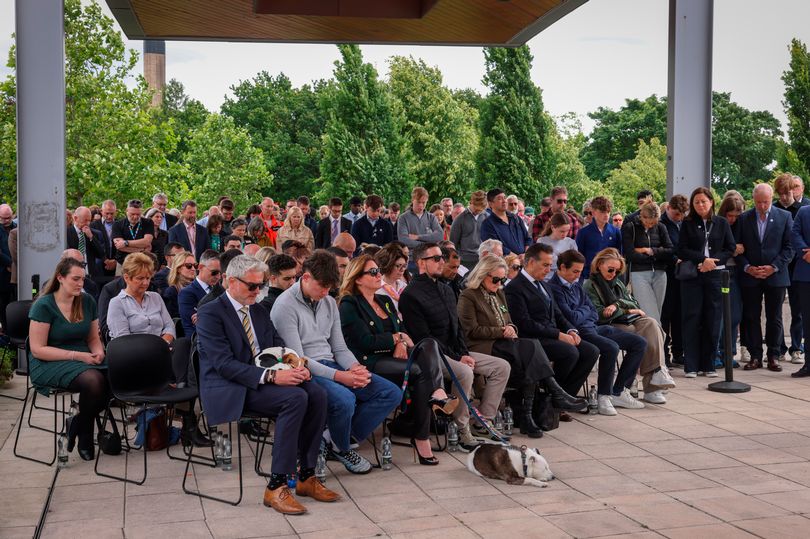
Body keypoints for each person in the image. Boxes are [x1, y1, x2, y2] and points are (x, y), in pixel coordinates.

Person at [195, 254, 337, 514]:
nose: (257, 291)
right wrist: (272, 377)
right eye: (251, 286)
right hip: (229, 387)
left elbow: (278, 346)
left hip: (261, 379)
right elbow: (223, 364)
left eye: (260, 285)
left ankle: (306, 476)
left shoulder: (258, 310)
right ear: (229, 281)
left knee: (316, 393)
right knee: (295, 399)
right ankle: (277, 485)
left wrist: (297, 366)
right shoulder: (210, 313)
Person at [271, 250, 401, 474]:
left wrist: (354, 368)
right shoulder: (284, 306)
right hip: (306, 370)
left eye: (329, 288)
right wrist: (342, 376)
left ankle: (334, 439)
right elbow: (297, 359)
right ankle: (342, 447)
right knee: (345, 399)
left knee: (391, 393)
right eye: (321, 286)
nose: (324, 292)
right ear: (306, 278)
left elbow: (339, 347)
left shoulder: (329, 302)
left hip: (332, 363)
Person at [339, 255, 458, 464]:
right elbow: (365, 341)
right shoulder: (350, 304)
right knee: (418, 372)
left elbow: (402, 330)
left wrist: (401, 343)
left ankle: (434, 397)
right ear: (358, 278)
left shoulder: (384, 301)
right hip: (370, 360)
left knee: (428, 344)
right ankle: (422, 436)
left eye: (378, 271)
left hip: (396, 356)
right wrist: (396, 339)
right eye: (373, 272)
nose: (379, 276)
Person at [458, 255, 586, 437]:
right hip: (482, 345)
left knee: (529, 357)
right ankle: (553, 394)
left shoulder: (498, 293)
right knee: (531, 350)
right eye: (495, 279)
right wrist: (501, 331)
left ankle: (528, 416)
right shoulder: (469, 296)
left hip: (503, 342)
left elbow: (509, 319)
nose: (499, 283)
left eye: (503, 279)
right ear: (482, 274)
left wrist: (510, 328)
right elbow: (471, 330)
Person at [399, 242, 511, 446]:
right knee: (465, 372)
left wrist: (463, 352)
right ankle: (463, 429)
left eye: (442, 257)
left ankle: (484, 420)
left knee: (501, 367)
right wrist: (459, 357)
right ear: (420, 263)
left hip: (455, 352)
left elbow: (457, 328)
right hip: (431, 356)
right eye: (436, 258)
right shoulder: (410, 295)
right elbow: (425, 339)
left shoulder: (446, 289)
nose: (442, 261)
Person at [106, 253, 210, 447]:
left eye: (148, 277)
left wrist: (163, 343)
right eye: (140, 278)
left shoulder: (154, 297)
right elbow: (123, 342)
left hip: (163, 355)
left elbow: (169, 326)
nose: (146, 282)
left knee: (185, 343)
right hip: (134, 361)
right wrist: (157, 347)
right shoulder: (117, 303)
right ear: (127, 277)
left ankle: (184, 409)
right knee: (180, 354)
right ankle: (187, 419)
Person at [505, 243, 599, 417]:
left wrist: (571, 331)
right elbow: (524, 323)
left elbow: (558, 314)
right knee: (569, 352)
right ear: (531, 262)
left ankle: (563, 397)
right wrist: (559, 335)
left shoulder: (544, 285)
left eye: (550, 265)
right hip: (532, 339)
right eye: (546, 265)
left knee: (591, 351)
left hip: (551, 335)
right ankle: (553, 397)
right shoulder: (515, 288)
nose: (549, 269)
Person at [28, 258, 107, 461]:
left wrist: (99, 352)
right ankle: (86, 437)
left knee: (114, 375)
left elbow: (92, 338)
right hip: (48, 361)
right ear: (60, 278)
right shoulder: (44, 305)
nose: (81, 284)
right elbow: (37, 349)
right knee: (94, 380)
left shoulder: (87, 300)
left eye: (83, 279)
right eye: (75, 279)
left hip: (82, 357)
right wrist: (78, 356)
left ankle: (76, 424)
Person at [550, 250, 648, 413]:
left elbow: (594, 312)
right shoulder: (555, 287)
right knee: (610, 347)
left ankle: (619, 390)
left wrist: (584, 312)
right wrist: (585, 312)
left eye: (580, 272)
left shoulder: (575, 284)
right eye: (575, 271)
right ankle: (604, 395)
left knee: (639, 343)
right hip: (579, 331)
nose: (578, 275)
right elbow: (572, 317)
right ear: (562, 268)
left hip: (593, 327)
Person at [583, 247, 676, 399]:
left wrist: (617, 306)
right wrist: (626, 310)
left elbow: (633, 303)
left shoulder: (617, 283)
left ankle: (657, 374)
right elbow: (600, 314)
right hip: (608, 325)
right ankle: (651, 385)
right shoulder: (590, 285)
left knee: (652, 324)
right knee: (647, 336)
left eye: (617, 271)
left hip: (625, 320)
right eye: (610, 270)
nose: (613, 274)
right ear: (599, 265)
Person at [676, 187, 736, 377]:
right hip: (693, 275)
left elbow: (730, 248)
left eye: (704, 201)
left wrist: (713, 262)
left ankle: (708, 365)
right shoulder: (687, 223)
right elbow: (682, 249)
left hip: (715, 276)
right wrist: (702, 260)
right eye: (696, 202)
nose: (700, 205)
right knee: (692, 318)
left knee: (713, 318)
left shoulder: (721, 223)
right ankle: (691, 366)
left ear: (711, 202)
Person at [737, 183, 794, 373]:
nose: (762, 206)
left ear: (772, 199)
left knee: (774, 317)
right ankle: (755, 356)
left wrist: (774, 267)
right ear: (753, 200)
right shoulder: (744, 218)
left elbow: (790, 247)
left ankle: (773, 355)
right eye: (759, 202)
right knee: (751, 316)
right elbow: (737, 247)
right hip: (751, 275)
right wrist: (747, 267)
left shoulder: (784, 217)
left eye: (766, 202)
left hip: (775, 275)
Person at [774, 173, 809, 364]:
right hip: (779, 266)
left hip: (798, 266)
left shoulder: (805, 208)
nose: (787, 195)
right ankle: (779, 348)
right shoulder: (774, 209)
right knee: (776, 311)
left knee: (798, 310)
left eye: (792, 189)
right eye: (782, 193)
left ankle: (797, 347)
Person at [621, 201, 673, 322]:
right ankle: (658, 340)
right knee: (651, 315)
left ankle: (654, 340)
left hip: (660, 273)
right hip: (639, 273)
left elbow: (670, 250)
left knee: (657, 313)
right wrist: (657, 255)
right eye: (649, 223)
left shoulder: (661, 227)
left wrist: (649, 251)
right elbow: (630, 254)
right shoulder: (631, 227)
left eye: (654, 223)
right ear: (642, 216)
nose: (651, 226)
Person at [716, 192, 745, 367]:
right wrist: (734, 248)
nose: (732, 219)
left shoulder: (742, 225)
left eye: (736, 216)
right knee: (719, 316)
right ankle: (718, 353)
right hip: (721, 272)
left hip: (737, 272)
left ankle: (729, 353)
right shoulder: (717, 224)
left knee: (734, 316)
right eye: (730, 215)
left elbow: (745, 248)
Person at [660, 194, 688, 367]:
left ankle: (679, 351)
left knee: (680, 315)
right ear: (668, 208)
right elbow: (663, 247)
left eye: (681, 215)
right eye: (676, 214)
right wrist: (674, 258)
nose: (679, 217)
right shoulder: (661, 223)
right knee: (666, 315)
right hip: (667, 274)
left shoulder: (685, 223)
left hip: (683, 275)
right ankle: (665, 353)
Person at [576, 196, 622, 280]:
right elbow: (579, 256)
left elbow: (619, 255)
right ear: (593, 213)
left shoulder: (615, 232)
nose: (606, 215)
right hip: (589, 276)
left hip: (610, 276)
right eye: (602, 212)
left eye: (608, 212)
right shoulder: (583, 233)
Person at [178, 249, 222, 338]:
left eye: (220, 273)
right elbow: (193, 325)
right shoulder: (187, 293)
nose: (218, 276)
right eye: (214, 272)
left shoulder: (220, 290)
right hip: (199, 339)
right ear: (201, 267)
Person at [397, 187, 444, 267]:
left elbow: (439, 235)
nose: (421, 205)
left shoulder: (431, 217)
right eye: (418, 202)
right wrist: (427, 244)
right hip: (412, 260)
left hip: (430, 260)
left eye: (424, 202)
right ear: (412, 200)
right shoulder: (403, 218)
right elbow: (404, 240)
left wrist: (418, 237)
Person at [479, 188, 532, 256]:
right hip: (503, 263)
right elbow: (494, 247)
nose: (504, 201)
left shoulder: (516, 218)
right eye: (499, 199)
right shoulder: (487, 224)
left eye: (504, 198)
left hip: (524, 261)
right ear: (491, 204)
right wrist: (516, 258)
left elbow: (528, 238)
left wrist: (525, 255)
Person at [111, 199, 155, 275]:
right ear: (127, 211)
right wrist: (142, 249)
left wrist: (126, 243)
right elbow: (119, 246)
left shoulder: (148, 222)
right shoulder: (117, 224)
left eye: (138, 214)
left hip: (142, 263)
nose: (135, 217)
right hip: (123, 263)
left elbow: (147, 241)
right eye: (132, 214)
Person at [66, 206, 104, 290]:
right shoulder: (66, 233)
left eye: (89, 220)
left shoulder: (94, 233)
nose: (87, 223)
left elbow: (101, 254)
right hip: (72, 275)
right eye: (85, 220)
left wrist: (91, 237)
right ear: (75, 218)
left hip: (90, 276)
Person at [450, 190, 488, 269]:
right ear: (471, 202)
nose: (478, 211)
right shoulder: (459, 219)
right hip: (465, 261)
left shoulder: (487, 217)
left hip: (483, 259)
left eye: (481, 210)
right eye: (476, 209)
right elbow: (453, 243)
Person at [537, 212, 578, 280]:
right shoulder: (542, 241)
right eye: (562, 231)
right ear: (553, 227)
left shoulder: (571, 243)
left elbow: (575, 265)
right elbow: (539, 265)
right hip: (547, 279)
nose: (565, 234)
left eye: (567, 231)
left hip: (565, 279)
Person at [160, 250, 196, 319]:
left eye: (195, 265)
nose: (193, 269)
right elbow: (171, 319)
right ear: (178, 268)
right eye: (189, 266)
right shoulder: (171, 292)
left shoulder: (198, 287)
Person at [90, 199, 118, 285]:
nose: (109, 216)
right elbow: (92, 246)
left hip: (116, 264)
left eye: (112, 213)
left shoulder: (120, 224)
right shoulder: (93, 225)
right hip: (98, 266)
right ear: (101, 211)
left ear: (116, 212)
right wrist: (105, 260)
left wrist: (115, 261)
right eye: (107, 213)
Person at [375, 243, 408, 315]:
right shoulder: (376, 289)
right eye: (398, 266)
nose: (402, 270)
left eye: (404, 266)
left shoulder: (404, 286)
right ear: (387, 265)